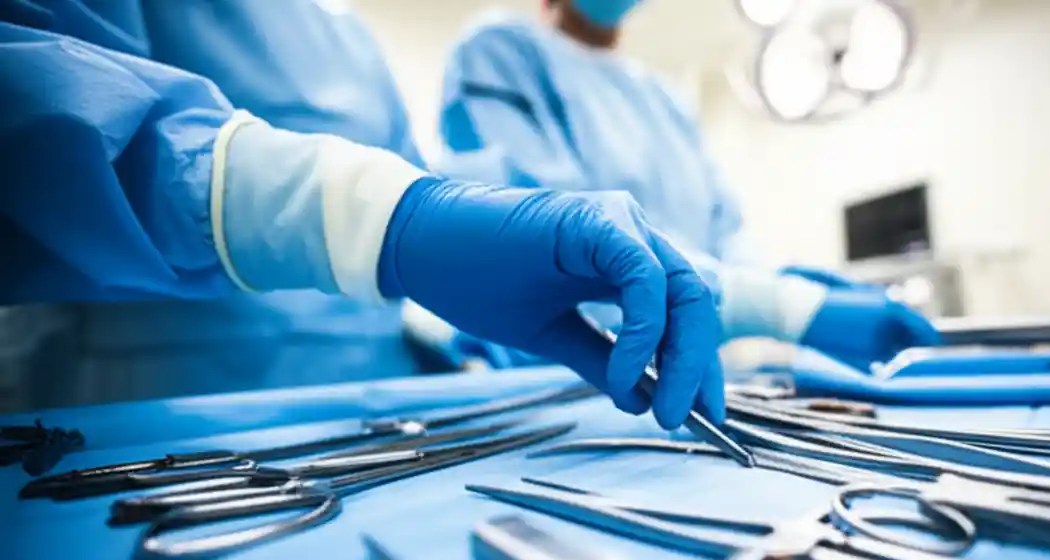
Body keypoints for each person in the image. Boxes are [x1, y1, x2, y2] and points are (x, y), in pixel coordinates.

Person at [0, 0, 723, 430]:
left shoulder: (345, 34)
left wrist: (453, 335)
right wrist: (367, 218)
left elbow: (432, 227)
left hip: (369, 409)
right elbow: (35, 126)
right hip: (155, 413)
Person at [435, 0, 939, 371]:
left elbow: (724, 228)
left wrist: (777, 283)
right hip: (564, 381)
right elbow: (544, 245)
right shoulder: (499, 53)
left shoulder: (663, 99)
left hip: (694, 374)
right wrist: (779, 306)